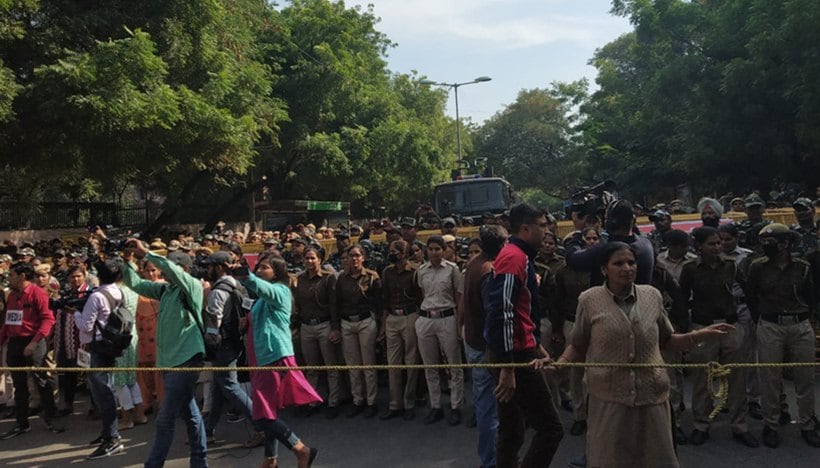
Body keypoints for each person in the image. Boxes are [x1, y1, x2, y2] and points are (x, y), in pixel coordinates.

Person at [536, 241, 736, 467]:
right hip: (608, 400)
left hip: (653, 397)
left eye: (631, 262)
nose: (627, 268)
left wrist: (699, 335)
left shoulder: (652, 296)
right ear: (604, 269)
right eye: (618, 263)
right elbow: (578, 346)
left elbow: (667, 341)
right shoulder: (589, 300)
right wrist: (559, 364)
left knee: (656, 460)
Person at [484, 203, 564, 467]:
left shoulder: (520, 255)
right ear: (525, 228)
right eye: (542, 226)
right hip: (513, 356)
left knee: (513, 430)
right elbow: (502, 312)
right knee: (551, 429)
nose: (547, 231)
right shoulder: (514, 257)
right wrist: (509, 367)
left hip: (516, 350)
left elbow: (521, 311)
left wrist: (536, 344)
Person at [122, 240, 208, 468]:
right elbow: (135, 284)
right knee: (190, 415)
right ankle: (200, 461)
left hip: (187, 360)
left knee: (165, 418)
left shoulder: (191, 286)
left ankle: (154, 464)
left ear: (185, 270)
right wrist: (128, 259)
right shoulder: (166, 290)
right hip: (170, 362)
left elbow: (171, 270)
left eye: (171, 266)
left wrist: (146, 251)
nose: (162, 271)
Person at [233, 254, 320, 468]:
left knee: (262, 417)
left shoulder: (280, 291)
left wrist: (247, 276)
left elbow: (266, 289)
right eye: (259, 268)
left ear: (277, 271)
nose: (260, 271)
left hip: (273, 358)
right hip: (260, 360)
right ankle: (270, 459)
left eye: (265, 268)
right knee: (268, 411)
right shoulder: (261, 300)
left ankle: (301, 449)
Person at [675, 227, 759, 447]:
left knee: (736, 378)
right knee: (702, 379)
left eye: (719, 243)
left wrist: (753, 319)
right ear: (699, 246)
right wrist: (685, 333)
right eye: (711, 244)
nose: (717, 247)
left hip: (730, 326)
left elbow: (748, 291)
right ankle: (701, 425)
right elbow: (682, 299)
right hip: (703, 327)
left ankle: (739, 425)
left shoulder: (731, 266)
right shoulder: (690, 269)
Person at [746, 224, 819, 448]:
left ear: (785, 243)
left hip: (799, 324)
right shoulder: (757, 267)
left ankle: (807, 423)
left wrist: (810, 321)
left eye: (771, 241)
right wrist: (761, 319)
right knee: (770, 378)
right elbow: (751, 296)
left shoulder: (803, 267)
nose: (765, 245)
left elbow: (812, 297)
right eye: (763, 241)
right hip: (770, 324)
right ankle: (772, 424)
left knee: (804, 377)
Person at [201, 251, 262, 447]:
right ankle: (208, 431)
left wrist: (209, 345)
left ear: (219, 267)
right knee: (219, 388)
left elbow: (213, 323)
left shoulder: (218, 292)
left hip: (223, 345)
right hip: (235, 341)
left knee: (229, 386)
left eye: (210, 266)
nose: (206, 270)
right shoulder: (237, 285)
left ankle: (263, 426)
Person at [458, 225, 507, 468]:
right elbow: (493, 315)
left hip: (474, 341)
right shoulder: (488, 269)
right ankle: (491, 462)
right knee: (488, 408)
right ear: (500, 245)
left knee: (487, 404)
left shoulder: (474, 263)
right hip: (485, 348)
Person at [73, 258, 125, 458]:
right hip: (110, 345)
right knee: (104, 389)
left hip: (98, 346)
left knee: (103, 392)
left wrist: (76, 313)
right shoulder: (117, 291)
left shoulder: (96, 296)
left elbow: (86, 325)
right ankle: (107, 433)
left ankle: (112, 438)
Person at [0, 262, 59, 439]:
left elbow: (48, 320)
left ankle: (51, 419)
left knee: (41, 381)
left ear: (22, 276)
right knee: (19, 384)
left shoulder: (37, 293)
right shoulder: (11, 296)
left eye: (11, 275)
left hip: (34, 342)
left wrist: (33, 343)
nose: (8, 278)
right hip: (15, 343)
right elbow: (8, 323)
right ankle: (21, 423)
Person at [416, 235, 464, 426]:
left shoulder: (453, 270)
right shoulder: (421, 271)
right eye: (431, 249)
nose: (434, 252)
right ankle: (435, 405)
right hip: (426, 318)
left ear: (444, 250)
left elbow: (458, 296)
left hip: (447, 318)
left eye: (438, 249)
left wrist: (459, 323)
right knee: (430, 366)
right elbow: (422, 294)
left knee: (454, 365)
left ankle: (456, 405)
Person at [292, 247, 343, 419]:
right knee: (311, 367)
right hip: (306, 327)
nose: (309, 261)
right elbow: (297, 305)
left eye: (313, 258)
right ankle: (312, 401)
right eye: (306, 258)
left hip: (325, 325)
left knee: (331, 365)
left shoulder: (328, 279)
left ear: (320, 259)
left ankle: (333, 401)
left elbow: (334, 304)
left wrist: (335, 328)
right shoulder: (299, 279)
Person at [335, 244, 382, 418]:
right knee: (353, 365)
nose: (354, 259)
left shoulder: (371, 276)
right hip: (347, 323)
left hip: (365, 322)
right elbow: (337, 303)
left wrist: (379, 325)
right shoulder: (342, 279)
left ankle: (371, 401)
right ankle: (358, 400)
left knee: (368, 364)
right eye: (351, 256)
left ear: (363, 257)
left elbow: (379, 302)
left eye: (357, 255)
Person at [379, 240, 422, 421]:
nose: (392, 254)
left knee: (411, 361)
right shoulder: (387, 272)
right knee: (393, 363)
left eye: (395, 251)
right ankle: (395, 404)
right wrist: (383, 324)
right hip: (392, 318)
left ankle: (409, 402)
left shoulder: (414, 272)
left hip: (410, 316)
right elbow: (385, 300)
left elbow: (420, 297)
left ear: (403, 254)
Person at [52, 265, 90, 416]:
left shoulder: (90, 293)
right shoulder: (65, 294)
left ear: (84, 276)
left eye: (78, 276)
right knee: (67, 374)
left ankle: (95, 406)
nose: (76, 279)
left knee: (90, 374)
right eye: (73, 277)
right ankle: (67, 404)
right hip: (66, 340)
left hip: (84, 340)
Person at [135, 260, 163, 413]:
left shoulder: (164, 286)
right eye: (148, 271)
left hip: (159, 334)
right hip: (142, 334)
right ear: (143, 271)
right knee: (143, 370)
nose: (151, 274)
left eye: (154, 270)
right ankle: (146, 402)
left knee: (159, 370)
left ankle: (162, 401)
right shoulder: (139, 288)